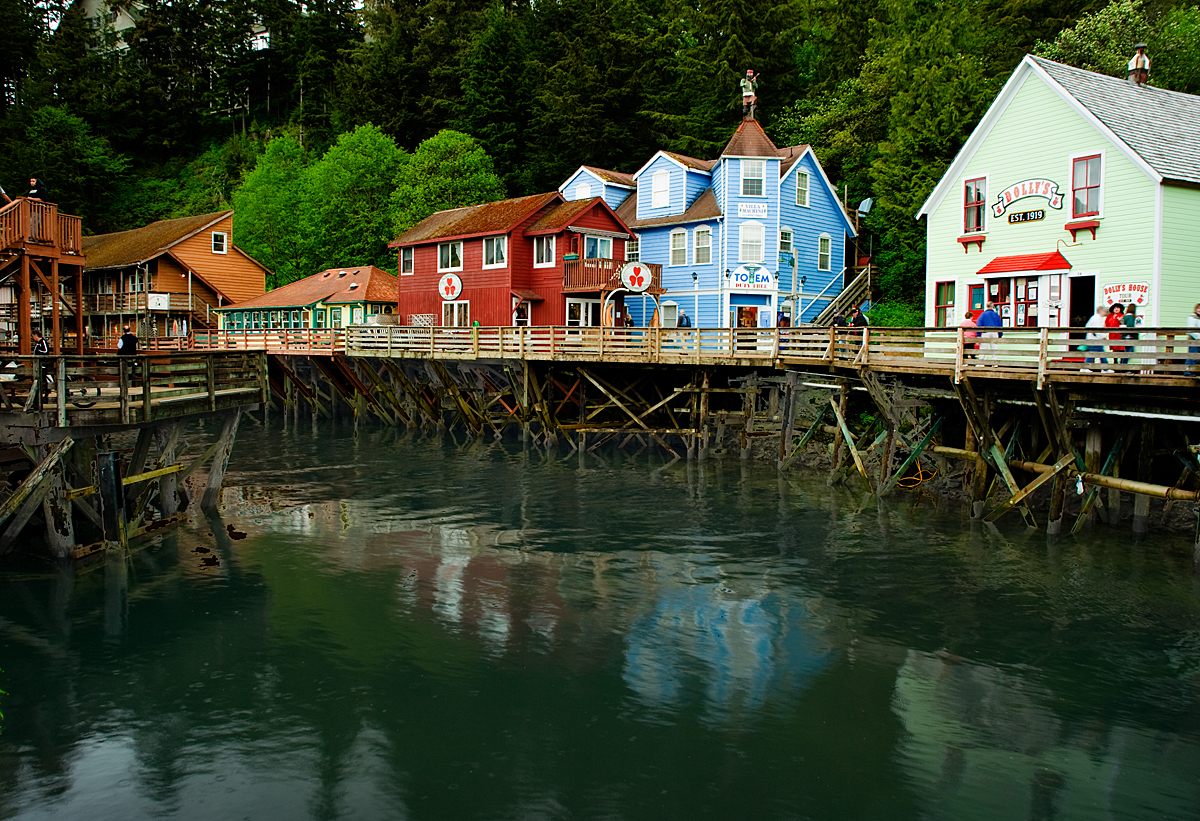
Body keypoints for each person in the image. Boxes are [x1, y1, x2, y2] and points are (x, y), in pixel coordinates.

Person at [1083, 304, 1109, 370]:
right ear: (1101, 311)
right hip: (1095, 340)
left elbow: (1087, 326)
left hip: (1094, 339)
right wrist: (1103, 336)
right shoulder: (1097, 319)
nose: (1105, 313)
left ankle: (1105, 369)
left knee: (1102, 354)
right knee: (1092, 354)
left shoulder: (1094, 317)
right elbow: (1098, 330)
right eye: (1104, 311)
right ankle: (1084, 368)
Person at [1186, 303, 1200, 376]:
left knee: (1197, 357)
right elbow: (1191, 330)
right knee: (1192, 356)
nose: (1199, 310)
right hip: (1193, 340)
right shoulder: (1192, 318)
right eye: (1198, 308)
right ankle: (1188, 372)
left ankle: (1195, 371)